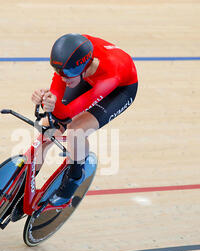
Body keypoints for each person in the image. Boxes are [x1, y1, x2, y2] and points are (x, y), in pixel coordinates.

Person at [31, 33, 138, 206]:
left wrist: (52, 106)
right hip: (86, 75)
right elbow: (55, 100)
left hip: (120, 88)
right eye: (59, 72)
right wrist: (45, 99)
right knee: (48, 128)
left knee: (76, 131)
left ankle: (75, 177)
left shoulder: (110, 75)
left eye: (68, 74)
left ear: (85, 67)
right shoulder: (70, 60)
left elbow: (66, 114)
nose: (64, 78)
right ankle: (23, 183)